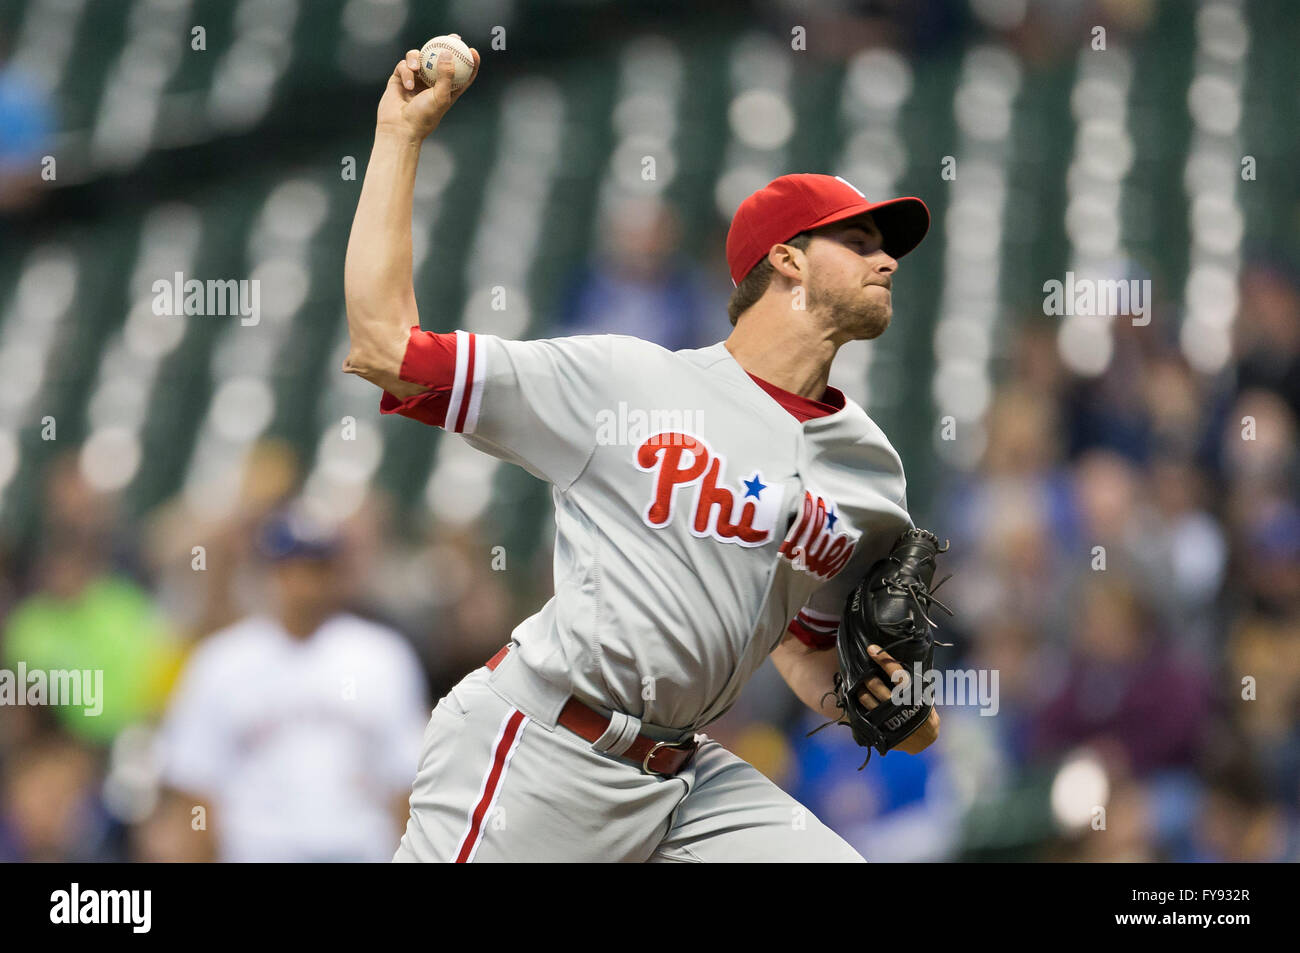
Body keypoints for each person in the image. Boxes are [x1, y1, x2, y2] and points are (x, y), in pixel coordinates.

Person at [343, 40, 938, 862]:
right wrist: (398, 136)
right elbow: (385, 346)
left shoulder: (869, 471)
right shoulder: (627, 381)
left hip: (684, 779)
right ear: (788, 257)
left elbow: (804, 647)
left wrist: (891, 704)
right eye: (862, 239)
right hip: (545, 747)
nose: (886, 259)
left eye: (889, 247)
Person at [154, 504, 428, 862]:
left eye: (316, 567)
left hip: (355, 851)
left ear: (335, 573)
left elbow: (405, 784)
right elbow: (195, 788)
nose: (303, 583)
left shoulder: (383, 657)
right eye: (291, 567)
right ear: (269, 572)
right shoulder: (221, 661)